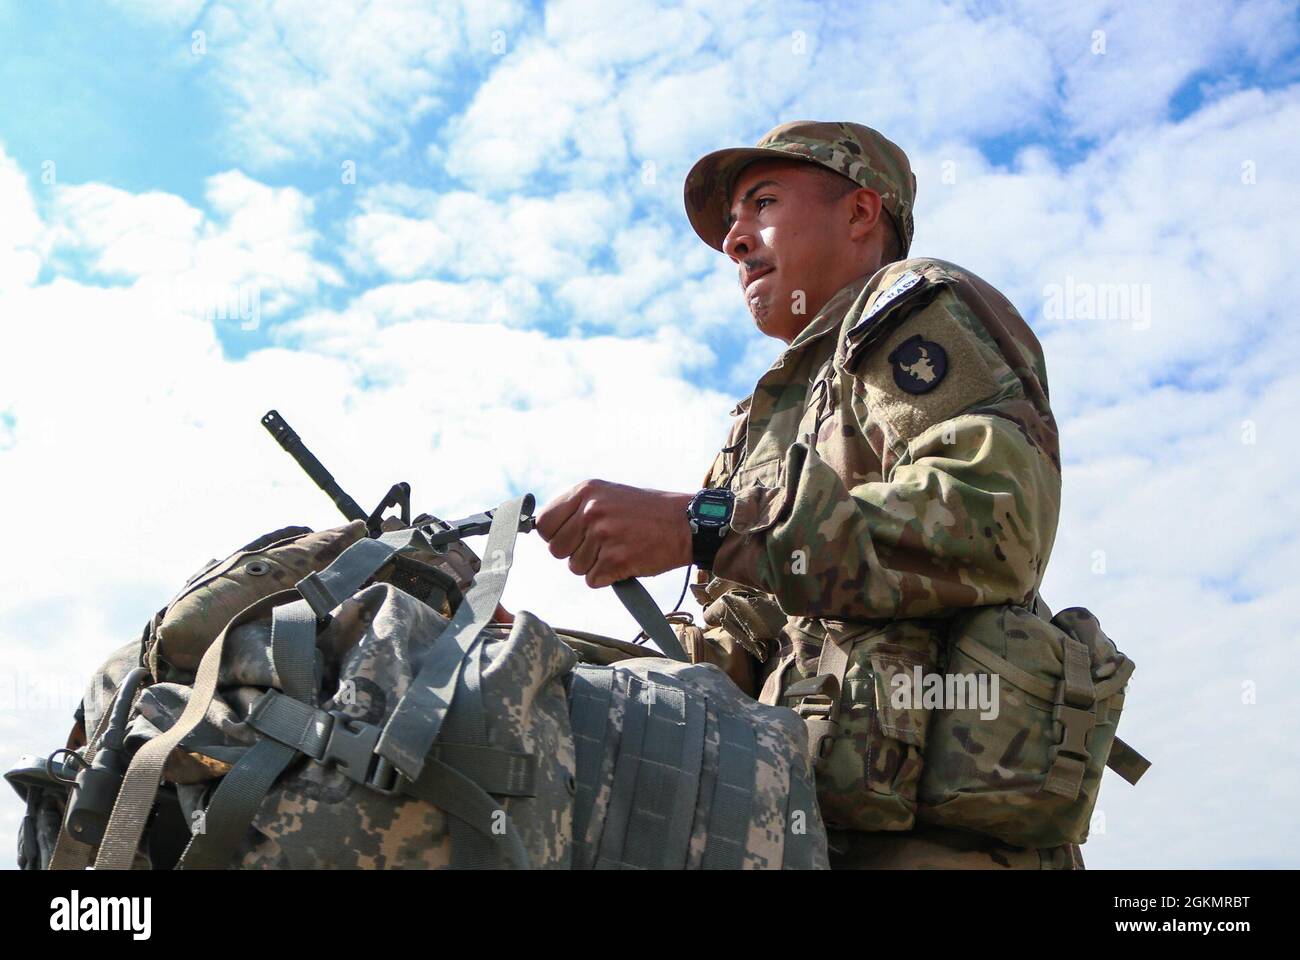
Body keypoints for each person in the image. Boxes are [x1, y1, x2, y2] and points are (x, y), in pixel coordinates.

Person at [526, 120, 1078, 869]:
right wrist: (544, 657)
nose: (735, 241)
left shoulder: (911, 309)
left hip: (938, 848)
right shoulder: (765, 419)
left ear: (859, 213)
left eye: (762, 204)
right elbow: (726, 653)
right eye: (732, 224)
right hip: (797, 830)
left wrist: (702, 524)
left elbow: (991, 522)